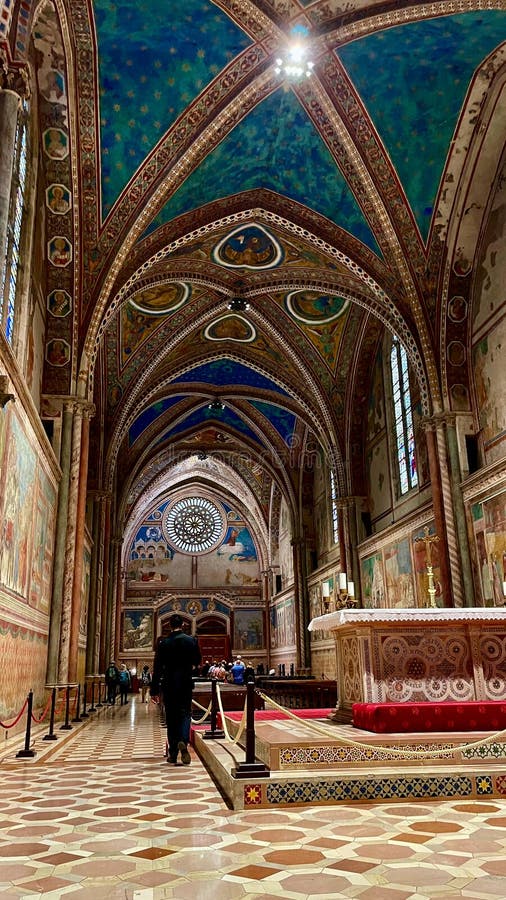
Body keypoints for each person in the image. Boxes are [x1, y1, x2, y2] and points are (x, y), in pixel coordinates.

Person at [151, 614, 201, 765]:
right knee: (185, 713)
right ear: (183, 625)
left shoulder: (164, 643)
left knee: (171, 717)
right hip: (185, 683)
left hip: (169, 684)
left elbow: (157, 668)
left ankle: (173, 753)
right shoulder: (191, 641)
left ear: (169, 625)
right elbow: (197, 661)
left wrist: (154, 690)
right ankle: (183, 741)